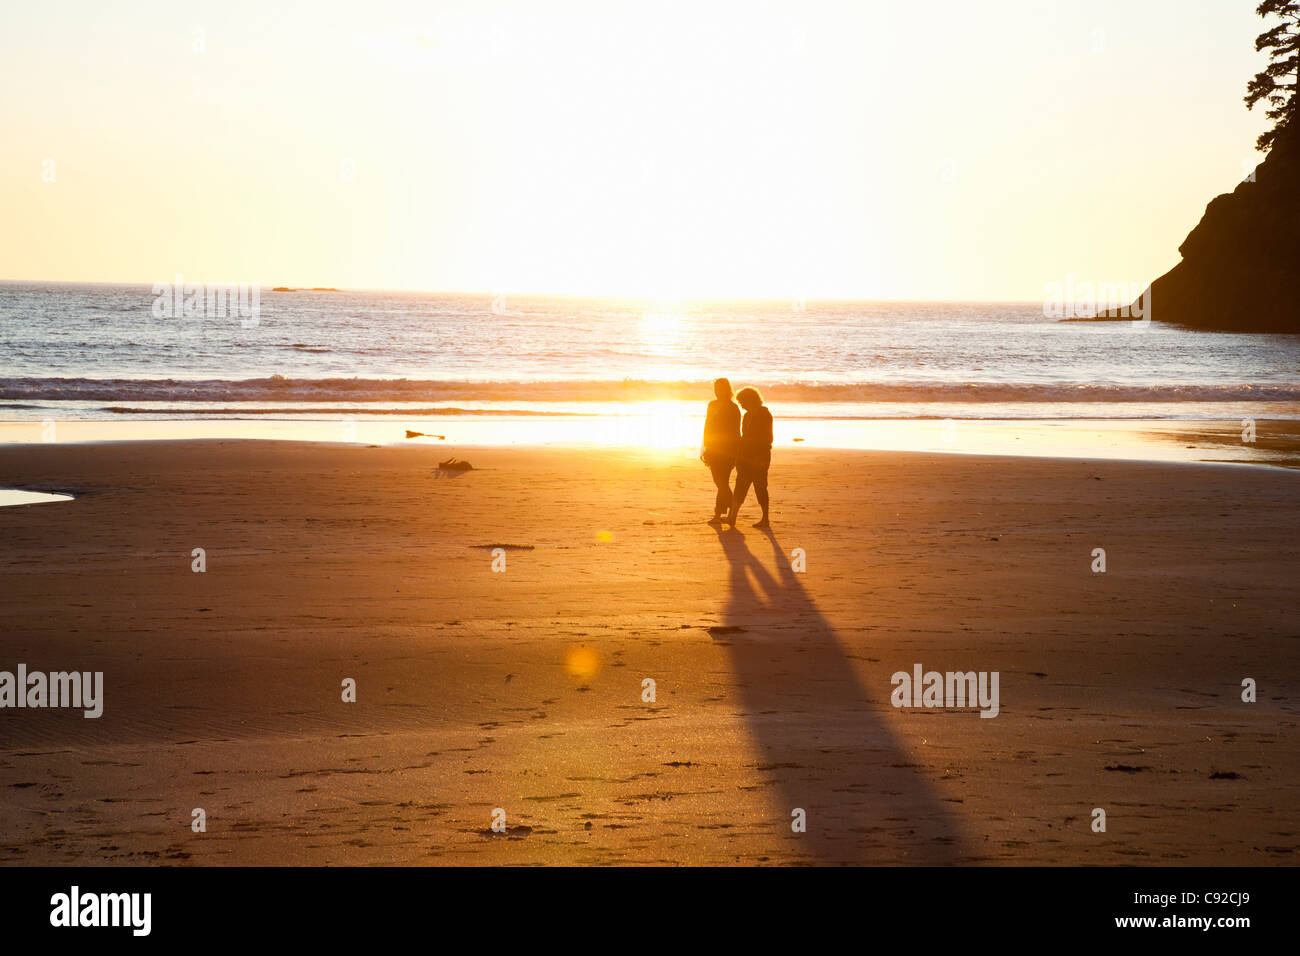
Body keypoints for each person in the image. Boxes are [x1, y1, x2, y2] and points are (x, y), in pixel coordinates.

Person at [726, 386, 772, 529]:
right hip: (746, 456)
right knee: (740, 485)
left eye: (742, 401)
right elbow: (744, 437)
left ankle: (765, 519)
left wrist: (761, 458)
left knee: (760, 488)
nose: (741, 404)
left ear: (751, 399)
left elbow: (767, 438)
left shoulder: (764, 413)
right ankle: (732, 517)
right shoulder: (747, 415)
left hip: (760, 457)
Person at [701, 378, 741, 524]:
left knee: (722, 482)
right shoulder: (711, 405)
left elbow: (736, 431)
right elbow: (707, 427)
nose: (717, 391)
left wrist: (737, 452)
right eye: (716, 388)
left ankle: (721, 513)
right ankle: (728, 511)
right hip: (713, 449)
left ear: (727, 389)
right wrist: (704, 447)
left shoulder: (733, 407)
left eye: (720, 388)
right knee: (720, 482)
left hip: (728, 451)